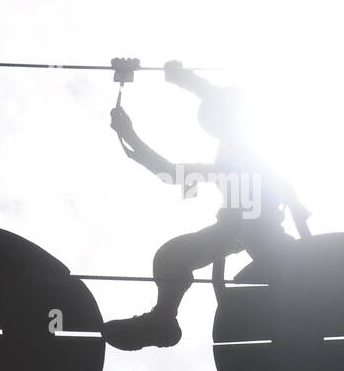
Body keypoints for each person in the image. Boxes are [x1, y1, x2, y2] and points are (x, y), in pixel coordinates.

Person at [102, 60, 308, 350]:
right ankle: (162, 319)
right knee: (172, 257)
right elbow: (172, 173)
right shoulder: (227, 157)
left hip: (249, 226)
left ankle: (163, 318)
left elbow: (221, 100)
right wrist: (129, 135)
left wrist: (184, 79)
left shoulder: (243, 141)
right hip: (240, 229)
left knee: (175, 257)